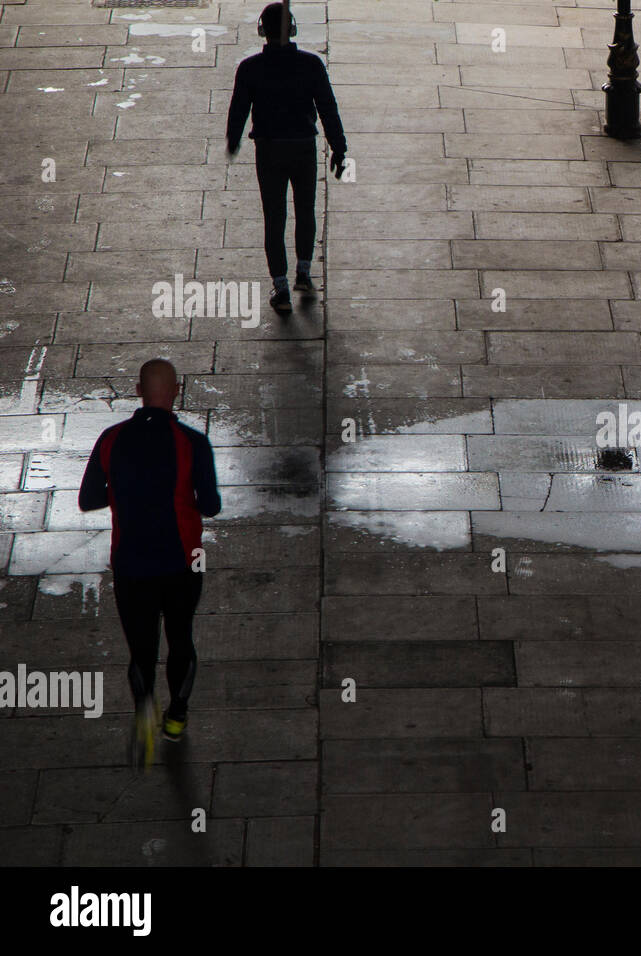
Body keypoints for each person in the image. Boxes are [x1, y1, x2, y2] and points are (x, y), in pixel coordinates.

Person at [78, 360, 221, 765]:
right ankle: (176, 716)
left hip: (130, 563)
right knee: (181, 637)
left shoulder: (111, 439)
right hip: (184, 561)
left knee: (141, 648)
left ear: (138, 390)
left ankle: (144, 706)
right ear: (176, 390)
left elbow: (88, 499)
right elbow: (211, 506)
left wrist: (125, 491)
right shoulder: (192, 442)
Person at [225, 2, 347, 315]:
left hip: (269, 150)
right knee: (306, 210)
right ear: (292, 29)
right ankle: (304, 272)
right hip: (303, 146)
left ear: (262, 30)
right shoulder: (312, 65)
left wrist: (233, 141)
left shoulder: (250, 68)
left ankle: (280, 288)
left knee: (274, 217)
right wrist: (339, 147)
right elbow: (327, 109)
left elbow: (238, 110)